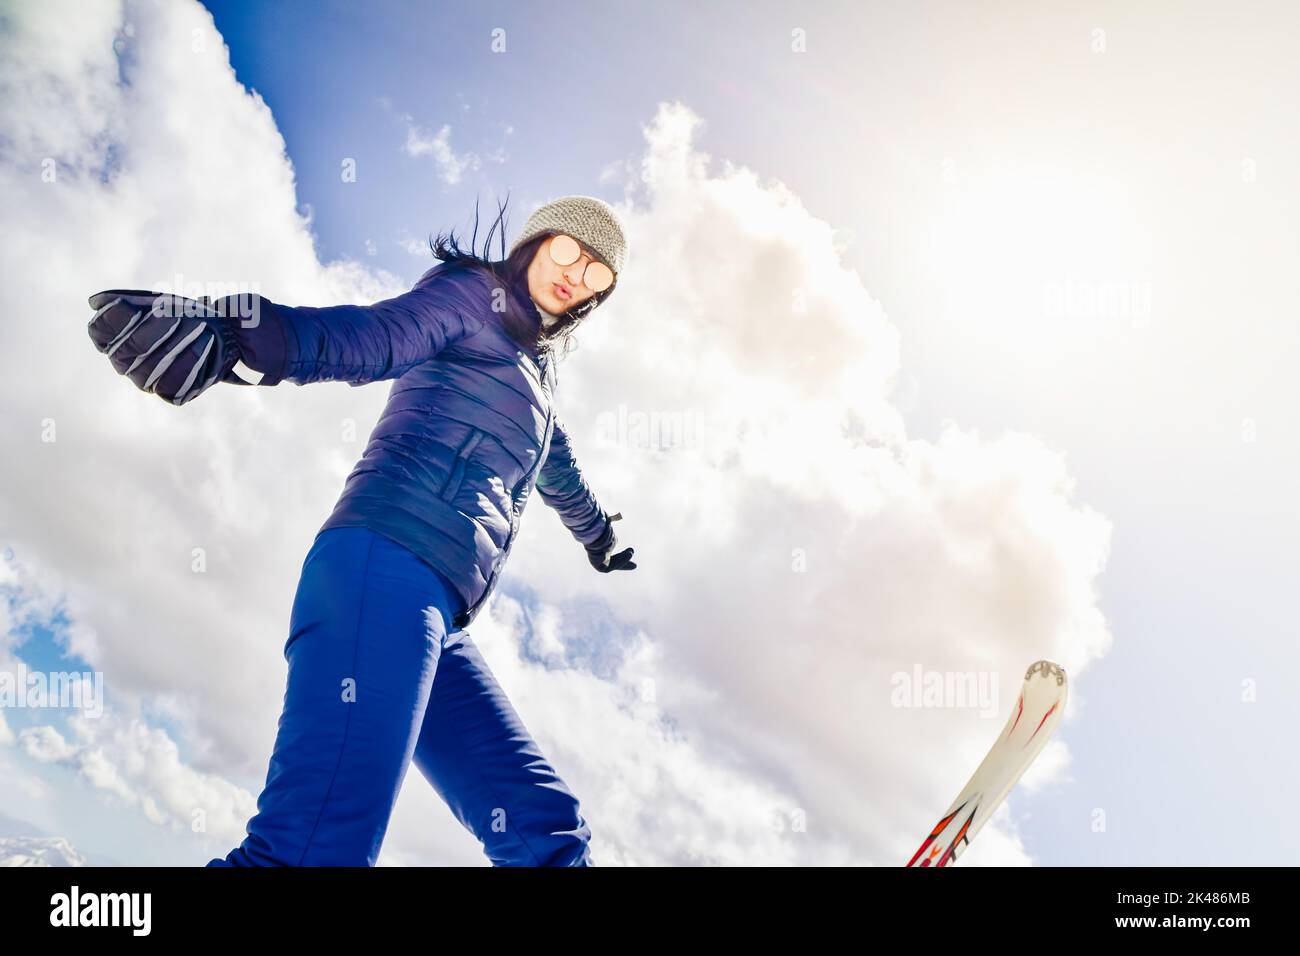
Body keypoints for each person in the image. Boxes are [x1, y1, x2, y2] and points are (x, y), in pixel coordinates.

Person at [86, 194, 636, 866]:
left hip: (439, 621)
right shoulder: (470, 299)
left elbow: (561, 472)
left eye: (597, 272)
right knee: (314, 851)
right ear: (534, 243)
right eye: (567, 250)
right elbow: (369, 338)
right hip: (386, 565)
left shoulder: (539, 383)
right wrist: (236, 335)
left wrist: (598, 537)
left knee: (546, 835)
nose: (575, 274)